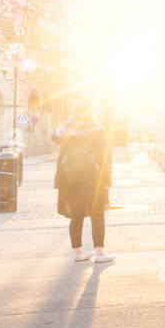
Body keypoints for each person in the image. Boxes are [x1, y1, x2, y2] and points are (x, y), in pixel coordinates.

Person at [53, 99, 114, 263]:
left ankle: (79, 252)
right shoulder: (97, 129)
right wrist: (107, 179)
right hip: (93, 179)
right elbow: (103, 156)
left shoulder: (65, 129)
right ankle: (100, 253)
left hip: (70, 179)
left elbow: (55, 137)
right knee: (98, 214)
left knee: (76, 215)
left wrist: (65, 126)